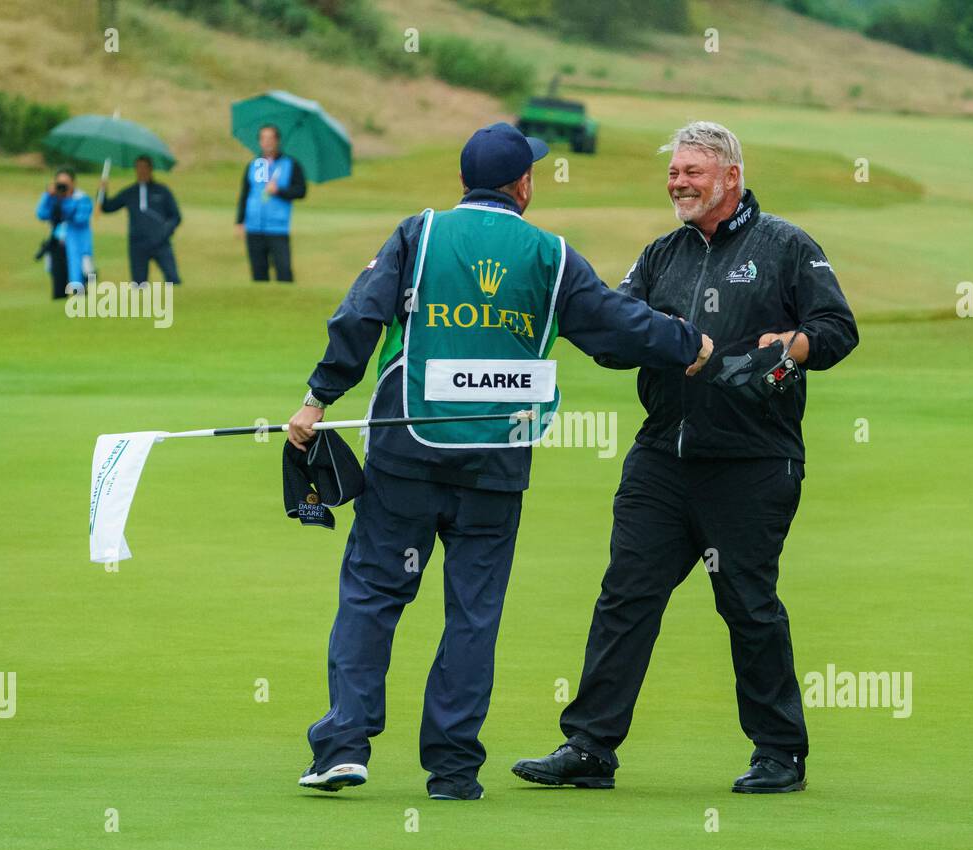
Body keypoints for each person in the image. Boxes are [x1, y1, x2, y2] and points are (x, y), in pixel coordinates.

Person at [287, 122, 713, 800]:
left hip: (407, 450)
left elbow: (360, 317)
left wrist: (318, 399)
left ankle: (344, 745)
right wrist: (683, 341)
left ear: (465, 182)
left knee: (372, 596)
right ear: (523, 186)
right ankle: (453, 769)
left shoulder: (418, 233)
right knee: (473, 614)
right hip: (497, 461)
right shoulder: (550, 253)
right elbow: (610, 322)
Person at [513, 121, 859, 795]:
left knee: (747, 603)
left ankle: (779, 752)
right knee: (626, 596)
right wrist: (623, 338)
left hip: (753, 460)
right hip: (662, 459)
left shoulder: (787, 246)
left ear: (730, 176)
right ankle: (589, 748)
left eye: (692, 171)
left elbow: (837, 329)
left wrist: (788, 348)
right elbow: (616, 331)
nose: (678, 182)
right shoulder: (660, 255)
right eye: (674, 172)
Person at [235, 124, 306, 282]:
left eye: (270, 138)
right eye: (263, 138)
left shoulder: (290, 164)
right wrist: (240, 221)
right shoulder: (254, 165)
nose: (267, 142)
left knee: (284, 271)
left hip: (277, 227)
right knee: (258, 273)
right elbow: (245, 193)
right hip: (254, 226)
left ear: (277, 141)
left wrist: (279, 191)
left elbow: (301, 191)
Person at [100, 155, 182, 284]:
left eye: (144, 167)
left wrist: (165, 230)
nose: (141, 171)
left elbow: (176, 216)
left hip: (160, 242)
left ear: (150, 169)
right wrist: (102, 191)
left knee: (173, 279)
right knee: (139, 283)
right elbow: (107, 207)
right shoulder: (130, 192)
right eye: (138, 168)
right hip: (138, 243)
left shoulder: (162, 191)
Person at [36, 168, 93, 298]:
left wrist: (66, 200)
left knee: (78, 284)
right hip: (57, 246)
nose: (62, 187)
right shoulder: (53, 199)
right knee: (59, 287)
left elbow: (80, 218)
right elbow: (41, 214)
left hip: (78, 247)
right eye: (59, 184)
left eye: (65, 184)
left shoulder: (82, 198)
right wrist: (47, 196)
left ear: (73, 183)